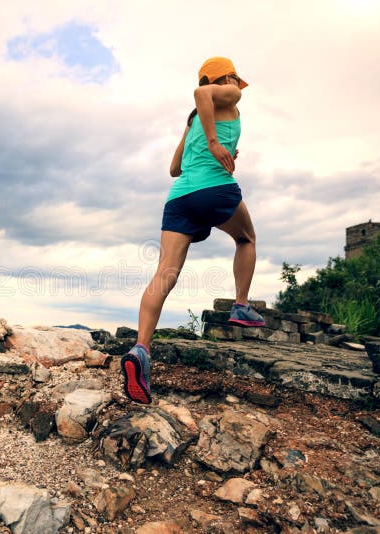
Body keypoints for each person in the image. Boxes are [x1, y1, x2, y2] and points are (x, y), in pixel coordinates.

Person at [120, 56, 266, 405]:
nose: (235, 86)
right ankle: (241, 305)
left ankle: (141, 349)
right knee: (246, 239)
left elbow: (173, 167)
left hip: (179, 197)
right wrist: (216, 145)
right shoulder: (228, 93)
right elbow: (200, 92)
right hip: (214, 188)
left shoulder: (192, 122)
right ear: (227, 77)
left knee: (165, 273)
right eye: (232, 80)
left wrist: (210, 144)